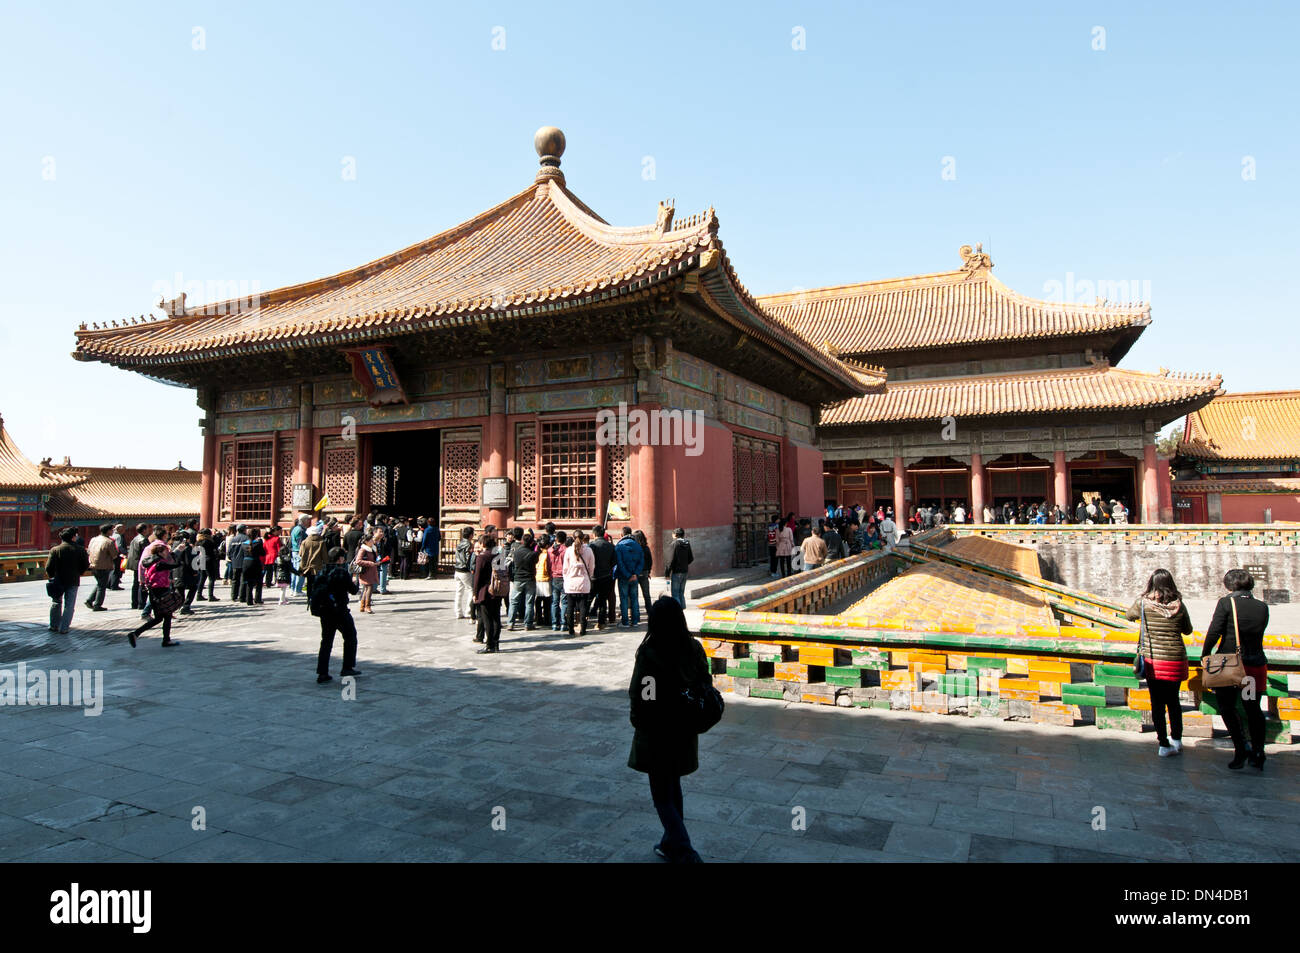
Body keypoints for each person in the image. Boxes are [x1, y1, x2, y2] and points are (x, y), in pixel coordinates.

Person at [627, 595, 710, 864]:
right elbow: (704, 682)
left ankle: (684, 849)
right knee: (673, 786)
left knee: (662, 795)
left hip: (657, 733)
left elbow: (643, 694)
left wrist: (640, 721)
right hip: (684, 730)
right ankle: (670, 844)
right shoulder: (693, 648)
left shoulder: (652, 654)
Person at [1202, 569, 1270, 771]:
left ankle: (1241, 747)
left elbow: (1215, 631)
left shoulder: (1226, 603)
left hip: (1230, 668)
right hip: (1253, 668)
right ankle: (1259, 751)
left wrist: (1206, 654)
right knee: (1252, 708)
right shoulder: (1262, 607)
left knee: (1227, 706)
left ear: (1229, 585)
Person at [1125, 568, 1192, 758]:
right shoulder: (1179, 605)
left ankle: (1163, 743)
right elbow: (1187, 630)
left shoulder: (1143, 604)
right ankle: (1177, 740)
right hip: (1175, 659)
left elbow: (1128, 615)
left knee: (1157, 703)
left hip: (1154, 660)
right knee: (1174, 701)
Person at [313, 547, 362, 683]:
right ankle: (347, 666)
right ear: (340, 559)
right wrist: (355, 577)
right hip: (340, 610)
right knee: (350, 637)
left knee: (326, 641)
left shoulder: (322, 570)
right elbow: (353, 590)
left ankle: (322, 672)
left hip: (325, 610)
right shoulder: (341, 572)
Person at [128, 529, 180, 648]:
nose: (167, 552)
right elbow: (176, 564)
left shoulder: (151, 561)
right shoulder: (160, 563)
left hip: (155, 590)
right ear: (160, 551)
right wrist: (177, 552)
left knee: (159, 618)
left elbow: (154, 575)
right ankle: (165, 640)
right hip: (160, 591)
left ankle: (136, 634)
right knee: (165, 616)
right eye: (166, 550)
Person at [46, 527, 88, 634]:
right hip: (73, 580)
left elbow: (49, 567)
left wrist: (52, 576)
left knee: (56, 602)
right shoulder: (80, 549)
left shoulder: (55, 550)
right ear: (73, 537)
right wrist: (79, 573)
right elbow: (85, 565)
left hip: (58, 580)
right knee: (69, 605)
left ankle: (53, 625)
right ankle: (64, 628)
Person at [472, 534, 505, 652]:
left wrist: (475, 592)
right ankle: (496, 644)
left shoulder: (482, 557)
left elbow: (477, 577)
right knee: (496, 618)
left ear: (483, 544)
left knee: (487, 619)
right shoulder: (499, 555)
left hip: (485, 591)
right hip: (497, 589)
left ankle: (489, 645)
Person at [562, 531, 594, 638]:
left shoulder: (568, 550)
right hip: (583, 582)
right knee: (583, 606)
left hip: (571, 582)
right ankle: (583, 629)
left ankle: (570, 629)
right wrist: (587, 575)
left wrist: (567, 578)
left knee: (570, 607)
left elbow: (565, 569)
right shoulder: (589, 550)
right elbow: (591, 568)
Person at [614, 526, 645, 627]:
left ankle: (625, 622)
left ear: (621, 535)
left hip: (623, 576)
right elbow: (641, 562)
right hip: (634, 576)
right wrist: (635, 574)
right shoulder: (638, 546)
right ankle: (635, 621)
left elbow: (619, 563)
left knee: (623, 599)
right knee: (634, 598)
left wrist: (627, 574)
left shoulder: (619, 546)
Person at [507, 532, 539, 631]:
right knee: (529, 602)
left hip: (518, 578)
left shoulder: (516, 552)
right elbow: (536, 559)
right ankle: (528, 624)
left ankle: (510, 623)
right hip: (529, 579)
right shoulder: (532, 554)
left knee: (514, 601)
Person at [587, 524, 616, 630]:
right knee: (603, 600)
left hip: (594, 577)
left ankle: (584, 620)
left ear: (594, 534)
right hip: (606, 576)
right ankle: (601, 622)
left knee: (588, 599)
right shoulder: (611, 546)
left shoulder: (591, 546)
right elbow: (614, 562)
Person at [84, 523, 118, 612]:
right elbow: (114, 555)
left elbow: (88, 551)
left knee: (100, 584)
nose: (113, 531)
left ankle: (90, 600)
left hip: (93, 564)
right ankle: (97, 604)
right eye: (112, 530)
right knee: (102, 586)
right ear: (108, 531)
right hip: (104, 566)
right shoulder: (109, 541)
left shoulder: (93, 539)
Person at [297, 523, 328, 605]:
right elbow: (324, 555)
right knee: (317, 583)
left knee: (309, 583)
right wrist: (327, 562)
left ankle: (309, 598)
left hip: (306, 565)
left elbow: (300, 554)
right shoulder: (321, 542)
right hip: (318, 566)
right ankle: (316, 598)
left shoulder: (304, 542)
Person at [663, 528, 693, 609]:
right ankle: (682, 610)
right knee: (681, 593)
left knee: (675, 594)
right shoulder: (687, 543)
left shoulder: (674, 544)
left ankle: (678, 612)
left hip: (676, 572)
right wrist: (684, 564)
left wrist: (667, 573)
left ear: (675, 535)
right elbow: (691, 558)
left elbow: (670, 560)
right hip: (685, 571)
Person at [126, 522, 152, 612]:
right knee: (142, 583)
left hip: (134, 562)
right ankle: (141, 603)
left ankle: (134, 603)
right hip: (140, 563)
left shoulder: (135, 538)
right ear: (144, 530)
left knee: (135, 584)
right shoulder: (143, 540)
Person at [452, 526, 475, 621]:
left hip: (457, 569)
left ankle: (458, 612)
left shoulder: (459, 544)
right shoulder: (469, 545)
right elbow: (468, 558)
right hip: (465, 570)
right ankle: (468, 611)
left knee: (459, 592)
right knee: (471, 590)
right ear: (470, 535)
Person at [547, 531, 568, 631]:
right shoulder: (566, 550)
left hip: (554, 577)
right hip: (564, 577)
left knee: (555, 602)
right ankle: (564, 623)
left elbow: (548, 564)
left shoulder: (549, 550)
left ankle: (555, 623)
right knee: (564, 601)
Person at [355, 531, 379, 613]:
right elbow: (358, 561)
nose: (373, 541)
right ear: (366, 542)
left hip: (371, 570)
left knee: (366, 588)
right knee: (369, 587)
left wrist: (377, 562)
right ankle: (367, 606)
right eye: (371, 540)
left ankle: (363, 605)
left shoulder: (372, 549)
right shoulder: (363, 549)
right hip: (366, 571)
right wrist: (370, 563)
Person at [240, 527, 265, 605]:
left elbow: (241, 554)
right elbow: (263, 553)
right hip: (255, 562)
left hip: (246, 563)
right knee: (258, 582)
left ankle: (249, 600)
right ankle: (258, 599)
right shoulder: (257, 543)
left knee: (249, 582)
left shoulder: (243, 544)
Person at [227, 523, 250, 603]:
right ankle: (242, 596)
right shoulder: (246, 538)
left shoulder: (233, 539)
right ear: (244, 530)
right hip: (244, 561)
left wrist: (232, 558)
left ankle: (233, 596)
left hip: (234, 562)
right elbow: (248, 550)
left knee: (234, 579)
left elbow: (229, 551)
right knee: (243, 579)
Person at [634, 529, 654, 613]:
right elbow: (650, 561)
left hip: (635, 572)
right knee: (646, 594)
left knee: (634, 595)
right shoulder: (646, 548)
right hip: (645, 572)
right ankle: (650, 611)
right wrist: (648, 571)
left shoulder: (634, 549)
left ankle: (636, 613)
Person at [274, 537, 294, 605]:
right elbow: (291, 568)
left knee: (282, 589)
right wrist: (298, 573)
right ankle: (281, 600)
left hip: (278, 575)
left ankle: (283, 599)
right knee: (283, 589)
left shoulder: (278, 559)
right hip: (284, 576)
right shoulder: (286, 559)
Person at [262, 526, 281, 591]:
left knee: (268, 571)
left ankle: (268, 582)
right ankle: (277, 582)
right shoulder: (276, 538)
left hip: (267, 556)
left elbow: (264, 547)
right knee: (276, 570)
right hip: (274, 556)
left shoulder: (266, 538)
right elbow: (279, 549)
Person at [108, 524, 126, 590]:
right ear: (118, 529)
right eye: (122, 529)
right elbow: (119, 546)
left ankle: (109, 584)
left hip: (111, 555)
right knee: (116, 570)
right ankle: (114, 585)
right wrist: (124, 553)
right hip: (117, 555)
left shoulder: (112, 535)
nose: (123, 530)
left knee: (112, 570)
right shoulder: (118, 536)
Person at [766, 513, 781, 578]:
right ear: (776, 520)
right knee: (776, 559)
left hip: (770, 544)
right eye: (778, 519)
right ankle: (774, 572)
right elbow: (778, 535)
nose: (779, 520)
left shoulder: (769, 526)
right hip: (775, 544)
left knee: (772, 558)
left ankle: (771, 571)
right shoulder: (777, 526)